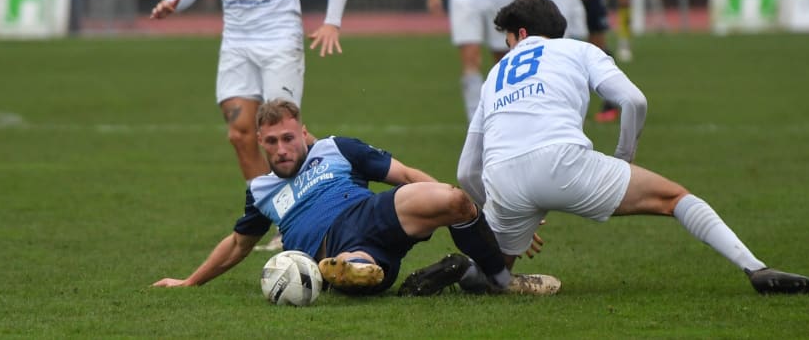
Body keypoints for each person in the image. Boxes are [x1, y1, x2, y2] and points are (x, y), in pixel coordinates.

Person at [456, 0, 809, 295]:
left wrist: (497, 214)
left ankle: (468, 273)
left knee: (494, 274)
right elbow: (634, 101)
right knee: (675, 199)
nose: (506, 49)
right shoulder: (579, 50)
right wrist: (623, 162)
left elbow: (467, 170)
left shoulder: (494, 77)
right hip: (563, 162)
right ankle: (756, 269)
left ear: (520, 34)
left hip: (502, 177)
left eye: (506, 41)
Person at [150, 0, 352, 251]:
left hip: (280, 39)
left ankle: (328, 199)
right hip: (237, 44)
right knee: (241, 135)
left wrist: (331, 23)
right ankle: (276, 214)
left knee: (285, 133)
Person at [152, 99, 560, 297]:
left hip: (372, 211)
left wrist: (486, 217)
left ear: (304, 133)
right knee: (356, 270)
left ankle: (499, 280)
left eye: (289, 138)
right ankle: (419, 278)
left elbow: (405, 175)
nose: (281, 149)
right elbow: (238, 244)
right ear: (260, 142)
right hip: (329, 249)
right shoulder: (260, 191)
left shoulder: (335, 148)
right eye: (272, 142)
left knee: (453, 201)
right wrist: (189, 282)